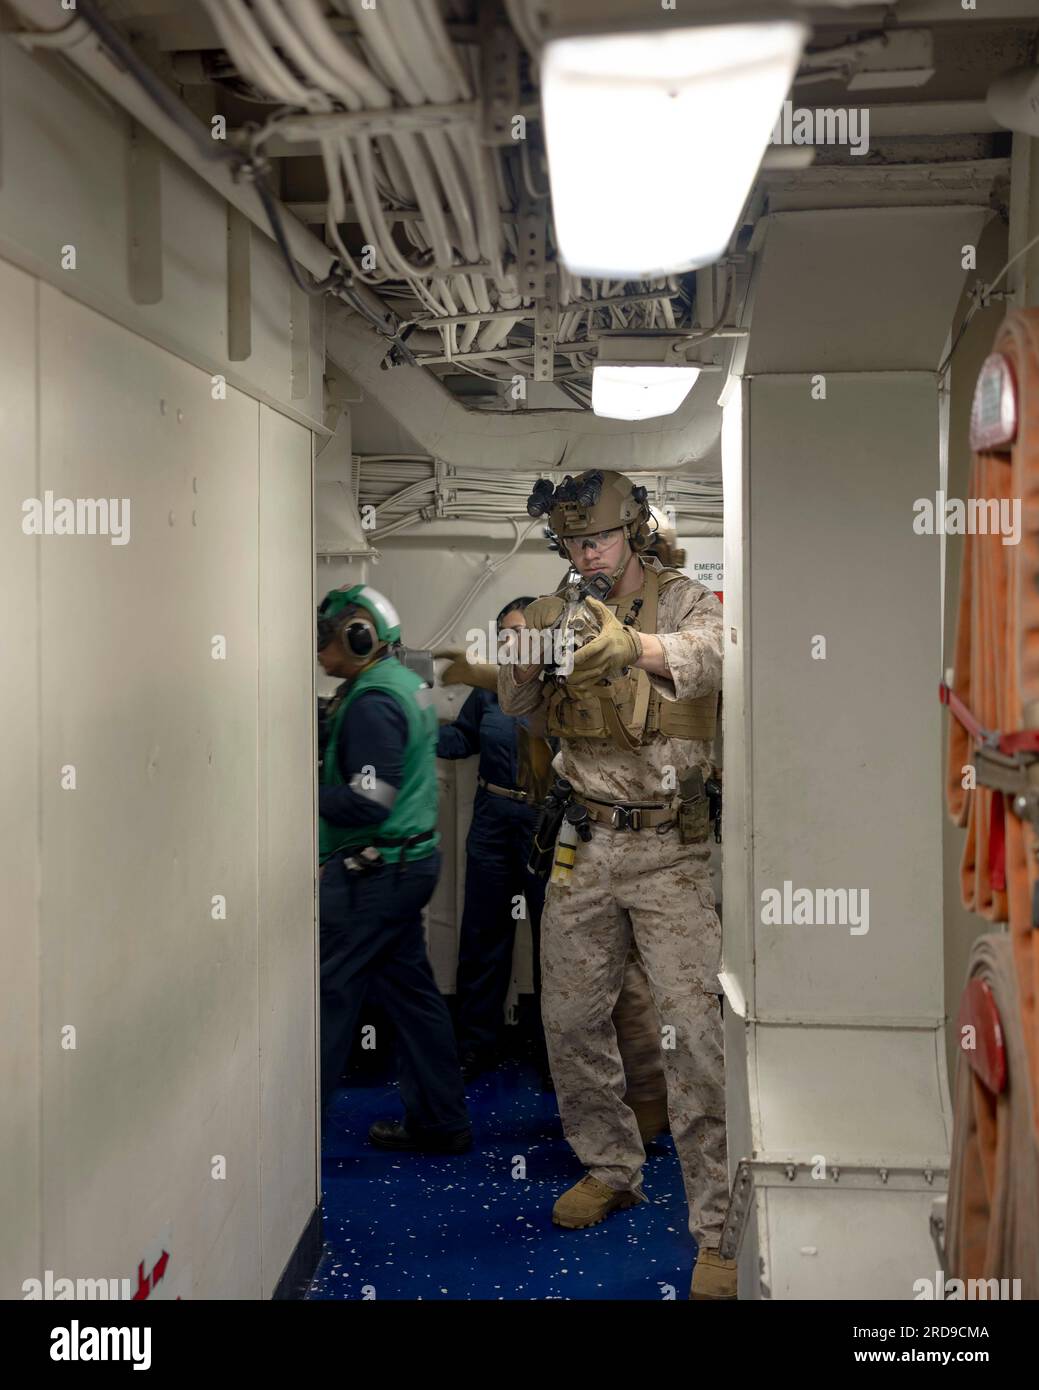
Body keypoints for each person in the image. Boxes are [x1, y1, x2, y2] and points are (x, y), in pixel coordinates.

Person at [498, 470, 733, 1300]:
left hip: (671, 849)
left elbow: (713, 660)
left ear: (632, 532)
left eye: (592, 540)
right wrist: (520, 650)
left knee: (696, 1038)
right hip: (583, 842)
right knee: (568, 1019)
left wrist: (633, 646)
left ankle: (719, 1229)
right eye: (568, 543)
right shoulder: (557, 605)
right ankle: (611, 1164)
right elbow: (520, 705)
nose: (581, 555)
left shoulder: (683, 602)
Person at [317, 583, 471, 1153]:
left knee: (328, 998)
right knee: (413, 998)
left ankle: (288, 1149)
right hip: (408, 867)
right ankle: (442, 1122)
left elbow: (368, 797)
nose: (318, 647)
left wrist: (305, 793)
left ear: (359, 639)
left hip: (374, 876)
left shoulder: (374, 701)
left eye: (327, 636)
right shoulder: (407, 684)